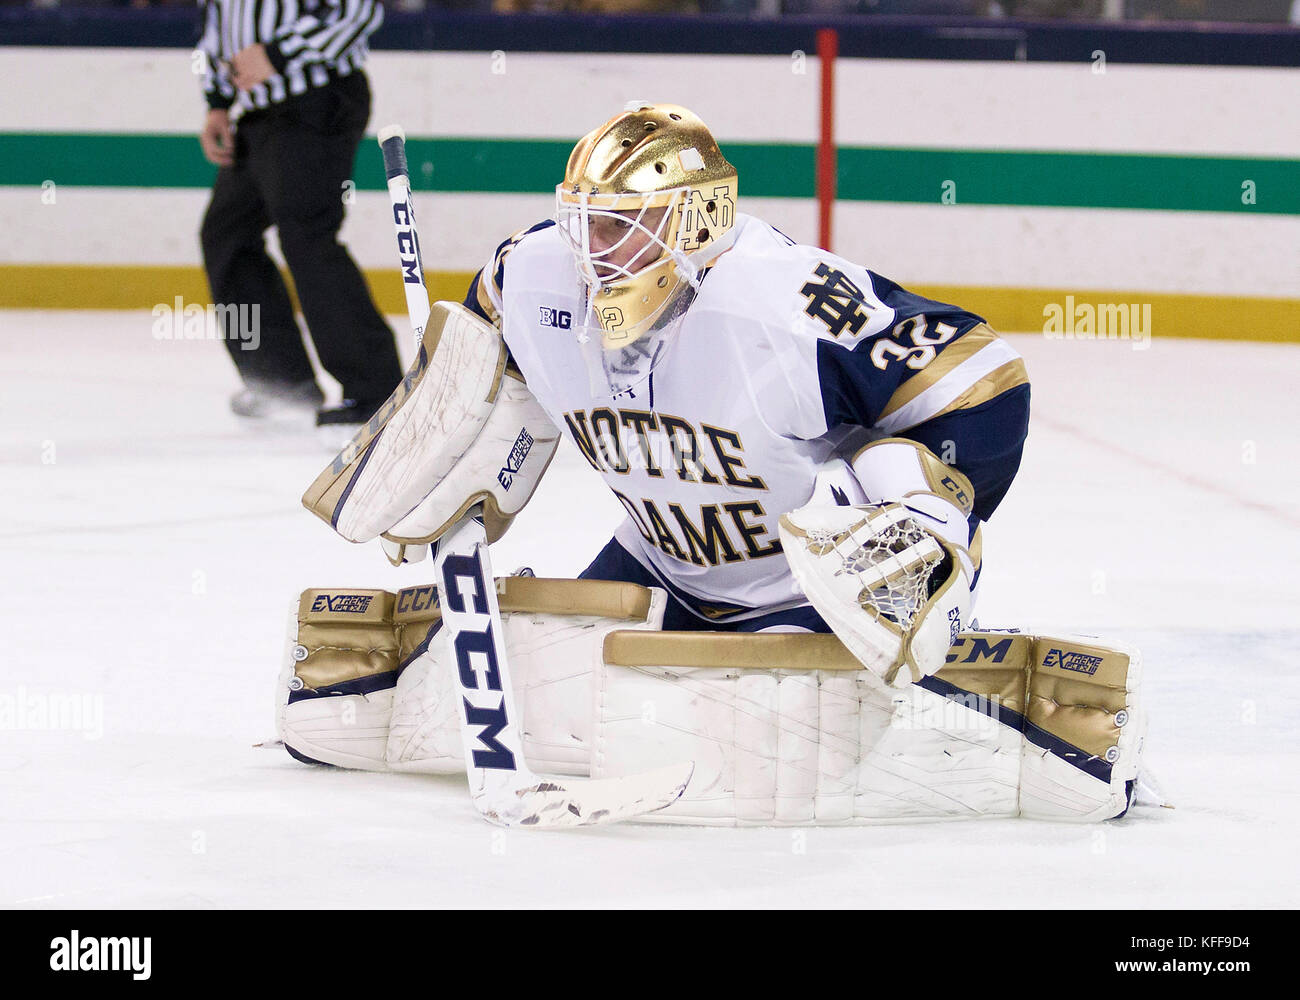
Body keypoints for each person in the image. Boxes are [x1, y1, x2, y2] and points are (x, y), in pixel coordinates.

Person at [458, 101, 1030, 659]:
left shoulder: (780, 302)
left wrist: (930, 523)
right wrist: (452, 449)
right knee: (548, 680)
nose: (593, 253)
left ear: (696, 218)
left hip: (808, 585)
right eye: (585, 223)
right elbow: (478, 355)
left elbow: (981, 380)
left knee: (740, 741)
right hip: (663, 566)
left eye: (622, 224)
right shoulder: (530, 275)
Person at [195, 0, 403, 427]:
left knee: (307, 235)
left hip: (316, 101)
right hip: (258, 112)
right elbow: (220, 22)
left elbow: (359, 11)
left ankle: (376, 389)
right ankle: (281, 381)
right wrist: (217, 99)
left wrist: (278, 53)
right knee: (226, 235)